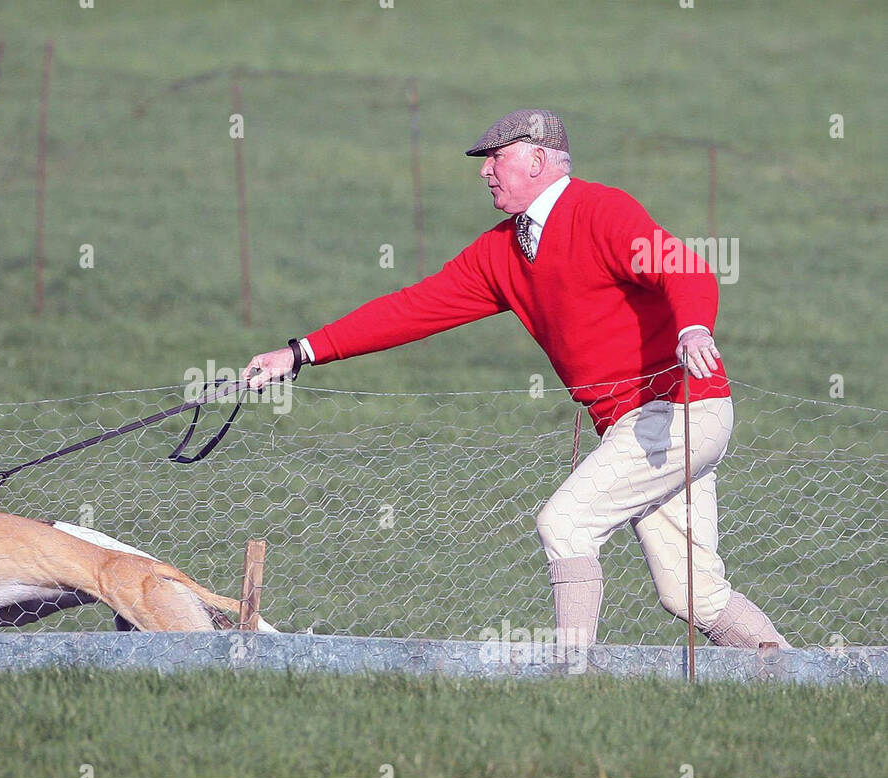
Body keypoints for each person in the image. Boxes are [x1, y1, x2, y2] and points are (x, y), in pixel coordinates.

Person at [243, 109, 789, 649]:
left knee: (566, 523)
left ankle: (570, 677)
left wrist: (693, 328)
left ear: (537, 160)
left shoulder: (600, 210)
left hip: (681, 411)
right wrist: (301, 352)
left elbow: (685, 267)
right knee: (694, 596)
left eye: (495, 158)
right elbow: (414, 308)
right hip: (636, 428)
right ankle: (801, 675)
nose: (484, 170)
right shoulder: (503, 249)